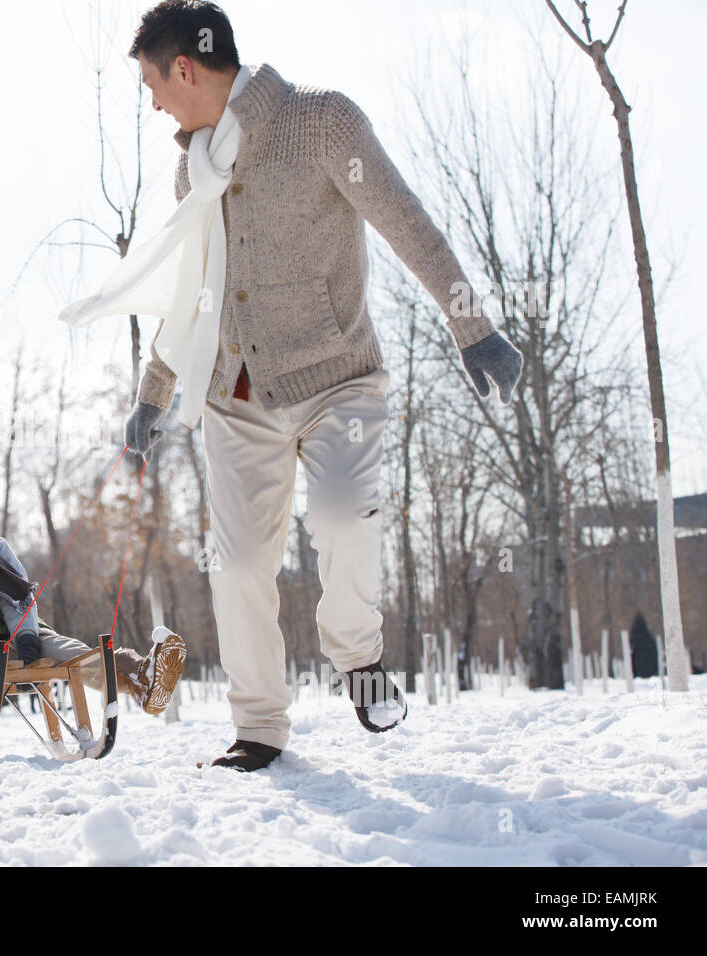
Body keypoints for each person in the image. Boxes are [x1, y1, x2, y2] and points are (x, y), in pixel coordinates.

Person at [60, 1, 523, 771]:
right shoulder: (192, 168)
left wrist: (470, 324)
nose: (153, 103)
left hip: (338, 378)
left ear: (186, 66)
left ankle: (360, 658)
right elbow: (191, 292)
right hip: (236, 396)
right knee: (239, 566)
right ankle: (259, 727)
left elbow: (406, 219)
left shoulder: (321, 124)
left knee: (342, 517)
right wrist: (154, 392)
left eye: (151, 82)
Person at [0, 461, 188, 746]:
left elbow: (18, 595)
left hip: (16, 634)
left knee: (71, 652)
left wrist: (27, 636)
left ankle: (140, 678)